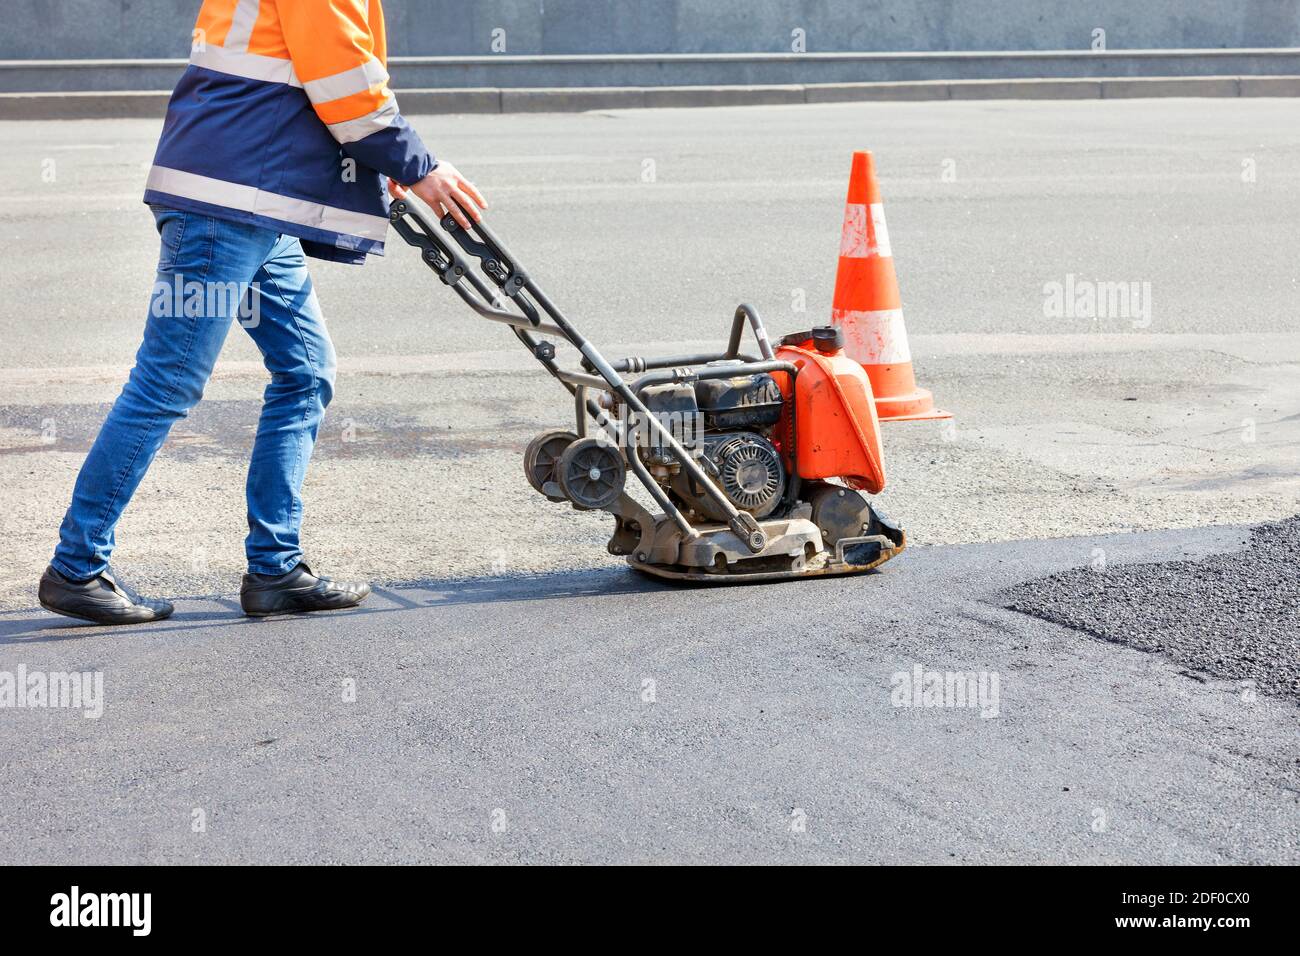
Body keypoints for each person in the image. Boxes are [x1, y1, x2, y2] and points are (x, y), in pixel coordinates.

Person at [38, 0, 485, 624]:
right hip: (224, 209)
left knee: (306, 372)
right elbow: (344, 84)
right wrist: (420, 166)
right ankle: (75, 568)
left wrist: (389, 168)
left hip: (253, 206)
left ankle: (275, 569)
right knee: (166, 381)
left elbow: (306, 80)